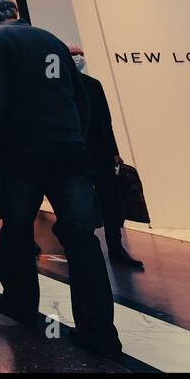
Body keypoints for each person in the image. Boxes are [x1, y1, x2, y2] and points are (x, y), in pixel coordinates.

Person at [0, 0, 122, 361]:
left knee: (17, 228)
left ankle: (19, 302)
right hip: (68, 151)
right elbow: (80, 98)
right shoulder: (50, 39)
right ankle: (100, 334)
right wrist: (74, 137)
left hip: (20, 152)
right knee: (81, 237)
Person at [69, 45, 144, 270]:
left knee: (111, 200)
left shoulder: (94, 85)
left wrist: (114, 152)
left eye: (81, 54)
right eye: (74, 55)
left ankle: (115, 246)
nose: (79, 58)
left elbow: (105, 121)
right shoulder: (60, 87)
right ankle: (83, 248)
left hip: (100, 152)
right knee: (78, 203)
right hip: (75, 153)